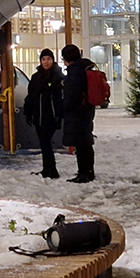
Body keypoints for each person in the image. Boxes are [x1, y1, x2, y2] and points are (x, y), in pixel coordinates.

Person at [24, 48, 66, 179]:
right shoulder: (36, 77)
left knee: (45, 141)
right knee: (43, 143)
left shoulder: (58, 76)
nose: (46, 62)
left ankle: (52, 169)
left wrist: (59, 115)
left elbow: (60, 98)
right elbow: (30, 96)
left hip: (51, 116)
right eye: (43, 59)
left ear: (53, 60)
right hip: (38, 116)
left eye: (48, 59)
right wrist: (28, 112)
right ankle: (47, 168)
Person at [60, 43, 96, 183]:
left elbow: (72, 95)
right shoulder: (86, 68)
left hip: (77, 112)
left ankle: (83, 173)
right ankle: (89, 171)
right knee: (86, 143)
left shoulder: (75, 71)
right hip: (87, 110)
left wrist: (65, 107)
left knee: (80, 144)